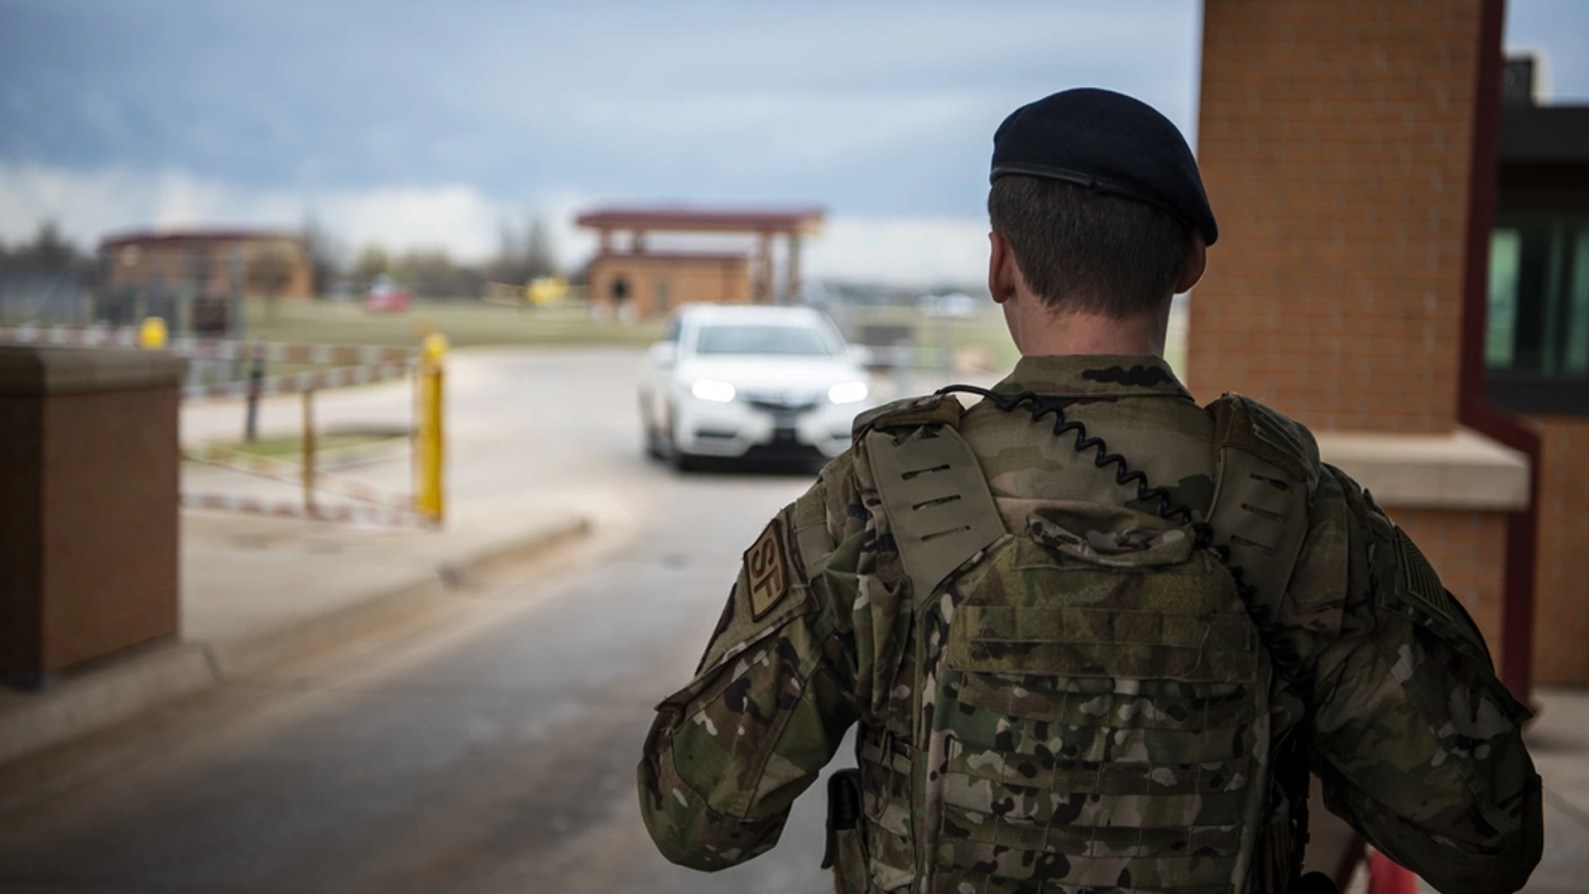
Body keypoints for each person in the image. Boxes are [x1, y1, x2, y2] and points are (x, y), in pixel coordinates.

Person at [637, 87, 1542, 894]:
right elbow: (1486, 836)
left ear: (999, 263)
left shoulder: (878, 500)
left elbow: (697, 820)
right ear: (1189, 261)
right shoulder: (1301, 516)